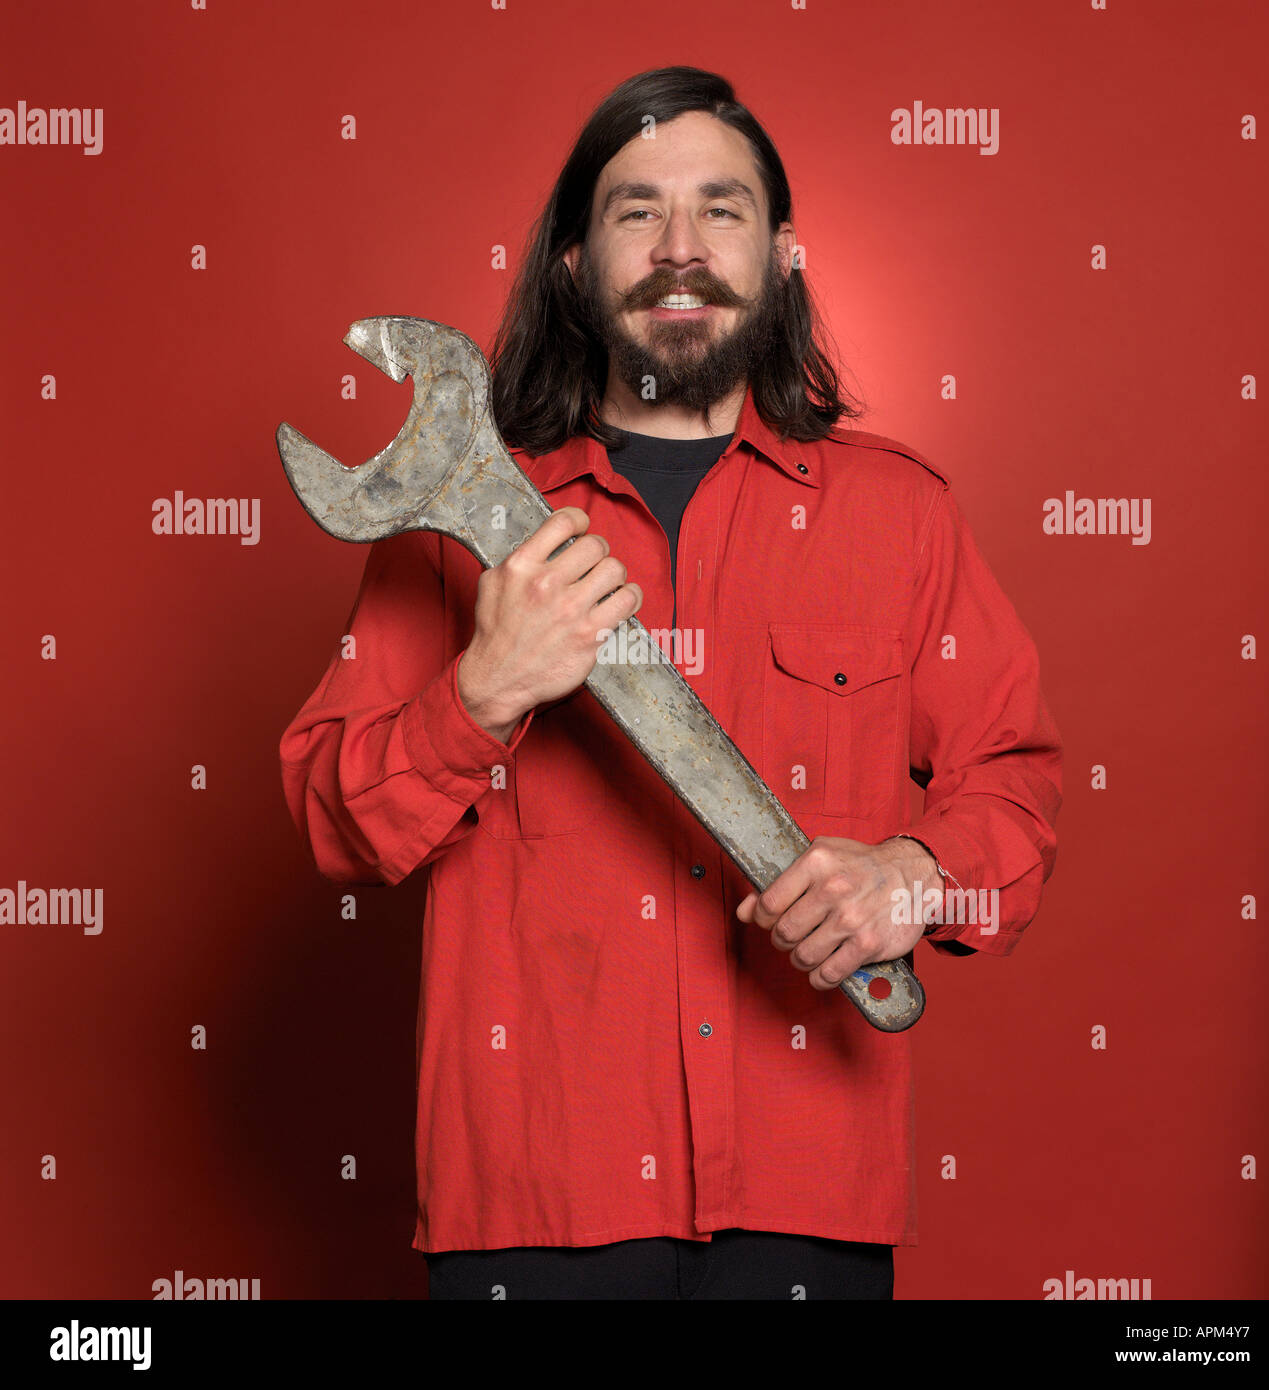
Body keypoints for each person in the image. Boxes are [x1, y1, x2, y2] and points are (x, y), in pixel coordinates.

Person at [279, 65, 1063, 1301]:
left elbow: (1014, 795)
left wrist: (910, 879)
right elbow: (331, 818)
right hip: (532, 1198)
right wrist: (480, 689)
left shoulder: (899, 516)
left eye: (723, 208)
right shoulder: (454, 530)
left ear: (783, 253)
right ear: (573, 266)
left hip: (804, 1188)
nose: (681, 248)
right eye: (636, 211)